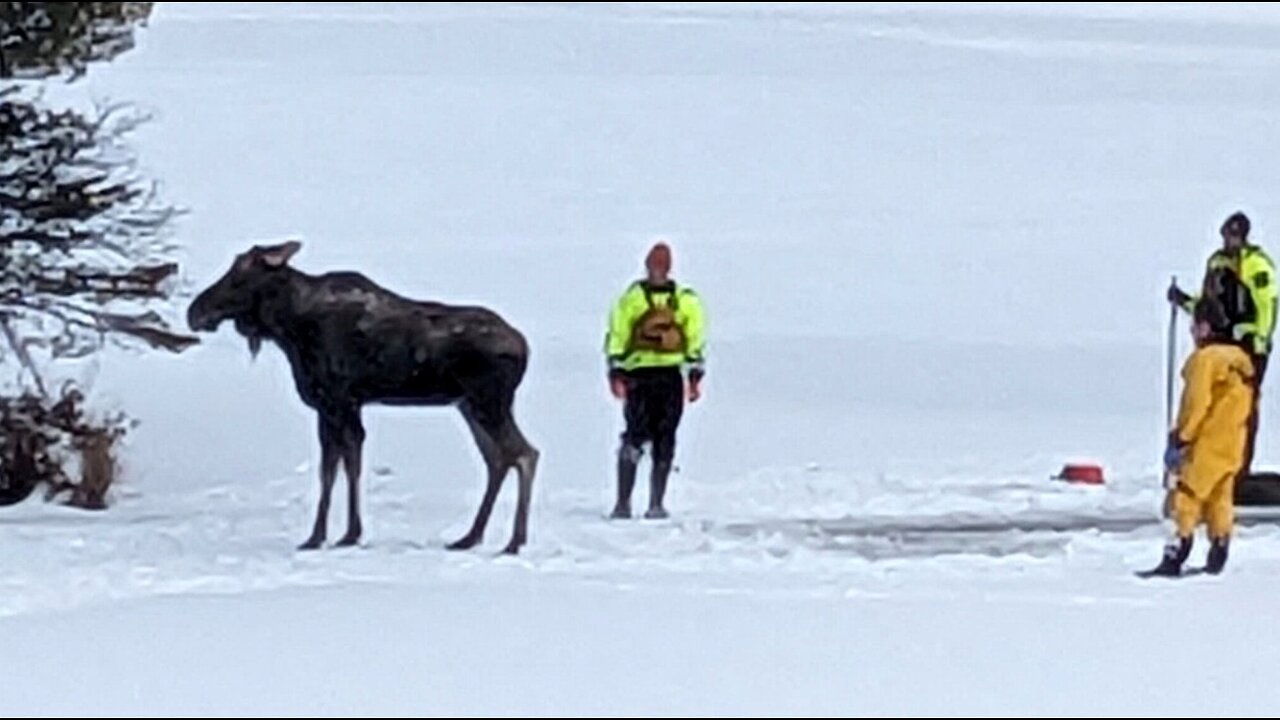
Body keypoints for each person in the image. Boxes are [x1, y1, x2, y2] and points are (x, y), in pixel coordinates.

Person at [1144, 296, 1255, 577]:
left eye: (1194, 327)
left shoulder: (1205, 361)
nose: (1192, 333)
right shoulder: (1239, 363)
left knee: (1185, 497)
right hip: (1232, 443)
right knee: (1220, 497)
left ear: (1205, 327)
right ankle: (1219, 548)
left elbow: (1197, 403)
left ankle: (1175, 552)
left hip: (1206, 443)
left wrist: (1181, 437)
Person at [1168, 211, 1276, 483]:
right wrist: (1184, 302)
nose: (1231, 241)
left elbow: (1268, 304)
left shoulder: (1256, 265)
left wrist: (1259, 338)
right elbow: (1208, 305)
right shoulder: (1216, 262)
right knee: (1210, 404)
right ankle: (1210, 466)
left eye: (1235, 235)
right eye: (1228, 235)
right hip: (1219, 343)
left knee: (1241, 406)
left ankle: (1238, 469)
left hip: (1247, 345)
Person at [603, 241, 706, 520]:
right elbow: (694, 339)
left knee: (643, 436)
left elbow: (617, 335)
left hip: (646, 375)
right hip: (659, 377)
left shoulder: (633, 298)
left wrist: (615, 369)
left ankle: (633, 503)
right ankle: (645, 504)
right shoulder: (683, 300)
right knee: (656, 436)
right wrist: (695, 375)